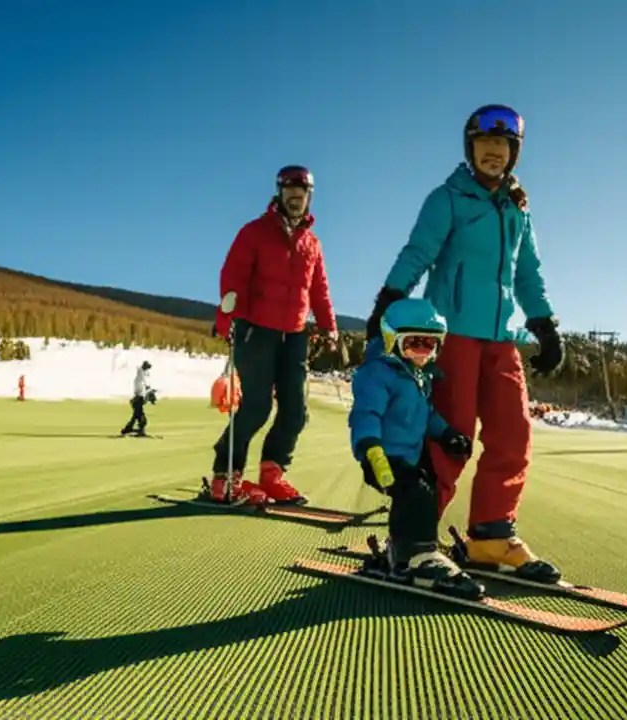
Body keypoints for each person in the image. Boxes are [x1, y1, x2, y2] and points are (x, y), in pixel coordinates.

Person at [363, 104, 565, 581]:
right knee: (447, 438)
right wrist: (389, 298)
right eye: (485, 144)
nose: (494, 153)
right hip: (451, 336)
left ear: (514, 154)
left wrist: (544, 323)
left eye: (503, 146)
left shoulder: (517, 209)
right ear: (470, 149)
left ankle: (491, 536)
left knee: (512, 435)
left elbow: (528, 272)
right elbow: (418, 252)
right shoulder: (448, 198)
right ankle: (413, 541)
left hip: (502, 339)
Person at [209, 165, 339, 505]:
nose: (296, 197)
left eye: (302, 192)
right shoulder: (255, 232)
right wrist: (227, 319)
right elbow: (232, 277)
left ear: (309, 197)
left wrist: (329, 326)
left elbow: (319, 289)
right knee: (256, 406)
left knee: (296, 411)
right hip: (257, 330)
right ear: (280, 193)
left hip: (294, 335)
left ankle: (272, 474)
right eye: (290, 191)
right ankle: (225, 475)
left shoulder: (312, 243)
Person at [349, 298, 483, 599]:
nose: (422, 352)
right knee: (416, 491)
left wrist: (447, 434)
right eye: (413, 344)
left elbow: (427, 415)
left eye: (430, 345)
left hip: (409, 458)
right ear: (391, 340)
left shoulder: (419, 378)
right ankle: (419, 554)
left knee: (424, 490)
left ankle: (402, 551)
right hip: (382, 457)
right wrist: (370, 450)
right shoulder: (378, 374)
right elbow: (366, 414)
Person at [120, 361, 154, 437]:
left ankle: (129, 429)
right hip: (138, 399)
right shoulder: (141, 374)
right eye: (146, 367)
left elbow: (146, 385)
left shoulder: (141, 375)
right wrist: (150, 393)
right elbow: (146, 384)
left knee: (136, 416)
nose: (147, 369)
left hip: (139, 398)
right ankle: (135, 430)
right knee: (140, 417)